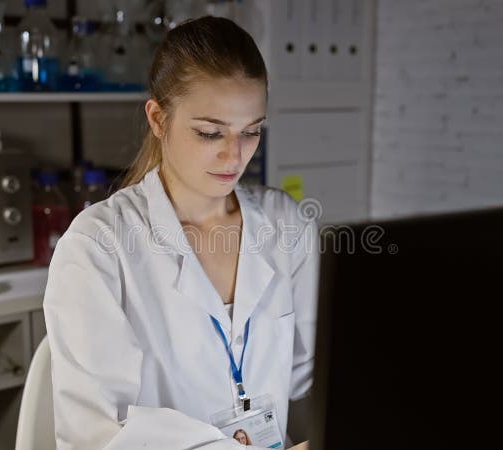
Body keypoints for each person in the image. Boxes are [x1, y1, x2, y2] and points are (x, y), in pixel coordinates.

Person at [43, 16, 318, 450]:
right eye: (210, 132)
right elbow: (96, 437)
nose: (234, 156)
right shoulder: (97, 246)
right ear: (158, 118)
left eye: (251, 132)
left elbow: (313, 375)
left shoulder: (286, 225)